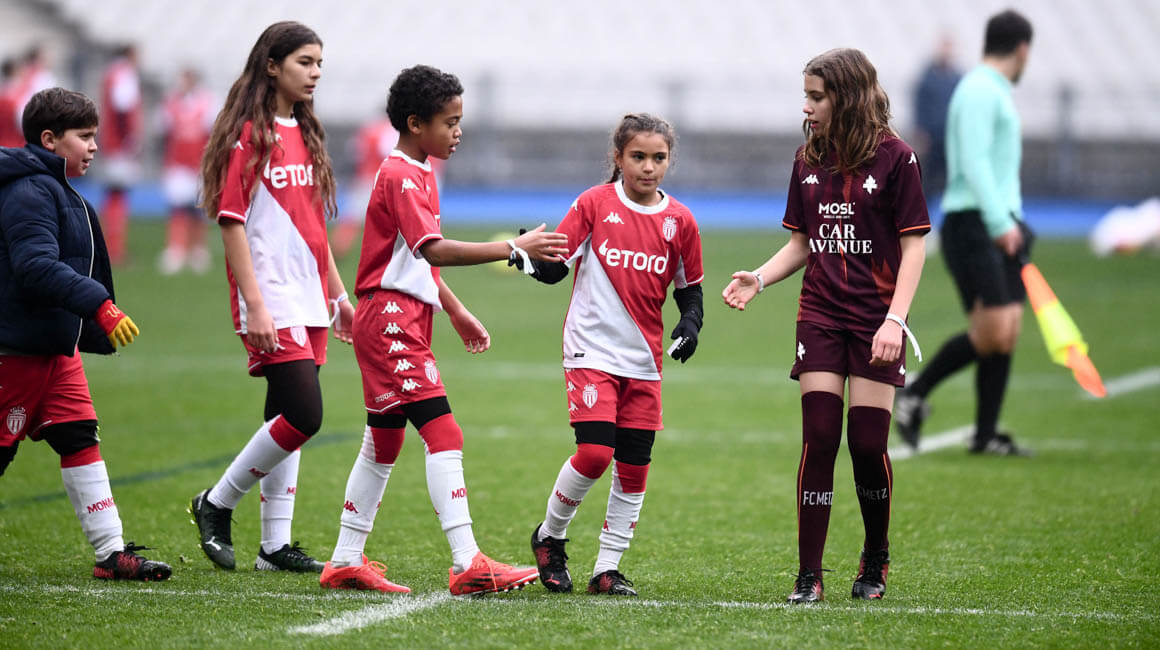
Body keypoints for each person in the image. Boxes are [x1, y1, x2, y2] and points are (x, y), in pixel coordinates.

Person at [318, 64, 567, 596]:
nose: (458, 132)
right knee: (443, 432)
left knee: (383, 442)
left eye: (460, 121)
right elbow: (432, 249)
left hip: (397, 315)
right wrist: (512, 248)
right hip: (389, 321)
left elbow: (416, 257)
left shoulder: (419, 171)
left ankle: (344, 558)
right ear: (415, 123)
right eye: (450, 122)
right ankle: (467, 561)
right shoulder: (400, 175)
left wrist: (454, 309)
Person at [723, 48, 929, 603]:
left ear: (847, 97)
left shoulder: (897, 159)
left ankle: (876, 557)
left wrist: (894, 320)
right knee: (818, 436)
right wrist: (759, 279)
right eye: (806, 97)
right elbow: (802, 244)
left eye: (816, 97)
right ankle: (808, 576)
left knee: (867, 443)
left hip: (875, 320)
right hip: (820, 315)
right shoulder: (806, 159)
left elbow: (914, 250)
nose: (808, 108)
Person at [513, 113, 704, 598]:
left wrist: (691, 324)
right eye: (638, 157)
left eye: (658, 158)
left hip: (644, 361)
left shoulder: (680, 221)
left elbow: (691, 290)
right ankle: (550, 537)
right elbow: (558, 269)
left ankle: (607, 568)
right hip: (590, 351)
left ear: (669, 160)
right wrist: (528, 261)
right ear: (618, 158)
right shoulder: (594, 204)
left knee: (635, 467)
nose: (648, 167)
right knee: (596, 453)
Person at [189, 21, 354, 574]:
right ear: (272, 65)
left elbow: (312, 227)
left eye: (319, 65)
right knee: (305, 414)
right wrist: (255, 304)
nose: (314, 74)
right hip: (270, 293)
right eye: (305, 62)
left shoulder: (305, 133)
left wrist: (337, 293)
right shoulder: (249, 134)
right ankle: (216, 502)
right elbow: (231, 221)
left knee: (284, 414)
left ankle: (273, 546)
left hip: (307, 292)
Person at [0, 87, 170, 581]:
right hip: (18, 350)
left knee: (79, 436)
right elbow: (35, 266)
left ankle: (111, 553)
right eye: (85, 137)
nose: (95, 146)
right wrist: (100, 304)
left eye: (96, 136)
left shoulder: (55, 185)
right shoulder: (30, 189)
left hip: (55, 348)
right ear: (50, 139)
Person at [894, 10, 1034, 457]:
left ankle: (985, 433)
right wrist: (998, 224)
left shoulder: (992, 90)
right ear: (1023, 49)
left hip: (1001, 221)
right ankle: (915, 391)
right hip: (975, 223)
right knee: (992, 329)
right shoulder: (977, 90)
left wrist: (1011, 220)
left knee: (1007, 329)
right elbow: (972, 163)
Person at [157, 67, 215, 275]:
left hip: (198, 164)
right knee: (177, 207)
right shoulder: (170, 103)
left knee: (198, 208)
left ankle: (198, 249)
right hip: (177, 164)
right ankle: (176, 248)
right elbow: (164, 133)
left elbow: (212, 134)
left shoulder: (206, 103)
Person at [98, 45, 142, 267]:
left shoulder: (110, 74)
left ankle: (110, 245)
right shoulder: (124, 75)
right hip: (119, 144)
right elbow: (123, 108)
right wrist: (130, 139)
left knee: (112, 195)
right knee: (118, 194)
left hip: (111, 142)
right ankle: (114, 248)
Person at [913, 35, 960, 199]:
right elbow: (919, 106)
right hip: (932, 139)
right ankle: (921, 218)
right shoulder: (927, 77)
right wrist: (921, 131)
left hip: (950, 138)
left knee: (953, 182)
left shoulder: (956, 77)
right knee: (928, 182)